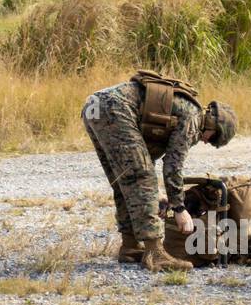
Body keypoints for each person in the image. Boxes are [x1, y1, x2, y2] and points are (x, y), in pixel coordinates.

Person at [83, 73, 237, 272]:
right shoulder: (194, 119)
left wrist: (158, 195)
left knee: (125, 180)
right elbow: (173, 164)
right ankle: (155, 252)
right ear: (213, 124)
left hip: (95, 104)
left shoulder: (185, 110)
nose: (207, 142)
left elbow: (144, 156)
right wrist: (179, 208)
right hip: (113, 107)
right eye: (213, 138)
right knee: (141, 178)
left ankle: (130, 246)